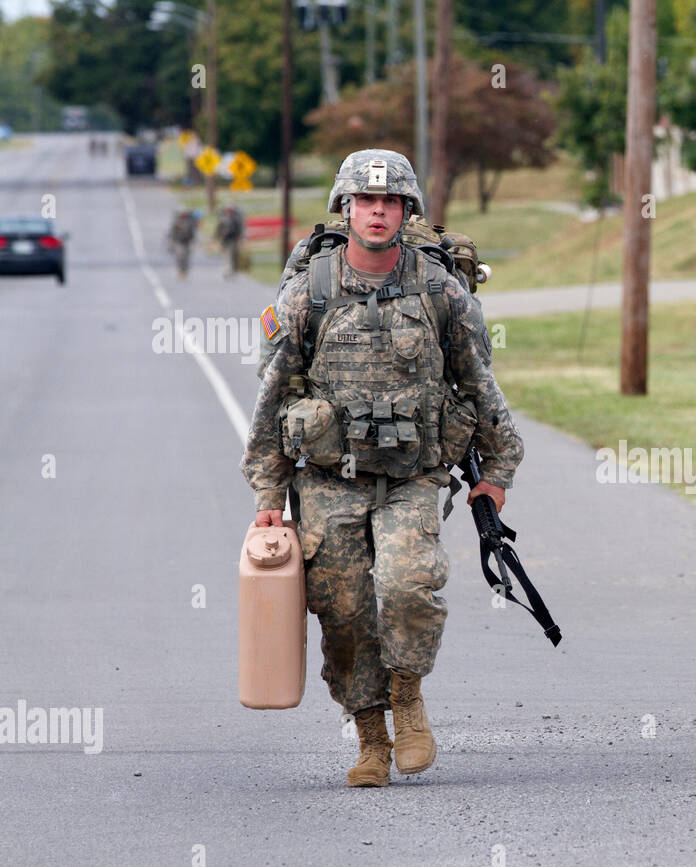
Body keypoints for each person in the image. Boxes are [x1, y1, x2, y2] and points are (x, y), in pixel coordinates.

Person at [242, 149, 524, 787]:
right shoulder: (307, 293)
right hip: (327, 482)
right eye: (365, 201)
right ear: (346, 209)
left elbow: (480, 387)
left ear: (406, 212)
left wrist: (497, 472)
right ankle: (370, 738)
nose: (376, 212)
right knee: (341, 614)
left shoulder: (439, 290)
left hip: (413, 477)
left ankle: (407, 698)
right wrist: (268, 490)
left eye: (390, 202)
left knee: (405, 586)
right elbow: (273, 397)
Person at [215, 203, 244, 278]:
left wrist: (241, 239)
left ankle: (231, 270)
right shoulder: (222, 217)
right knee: (226, 255)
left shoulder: (236, 218)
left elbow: (240, 229)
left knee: (232, 255)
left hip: (233, 239)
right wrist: (216, 237)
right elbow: (219, 228)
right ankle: (228, 270)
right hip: (224, 240)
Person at [167, 208, 198, 278]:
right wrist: (170, 243)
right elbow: (172, 233)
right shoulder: (176, 221)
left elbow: (193, 232)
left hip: (187, 242)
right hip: (178, 242)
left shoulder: (190, 221)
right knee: (179, 256)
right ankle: (180, 270)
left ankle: (185, 271)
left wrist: (194, 242)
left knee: (186, 257)